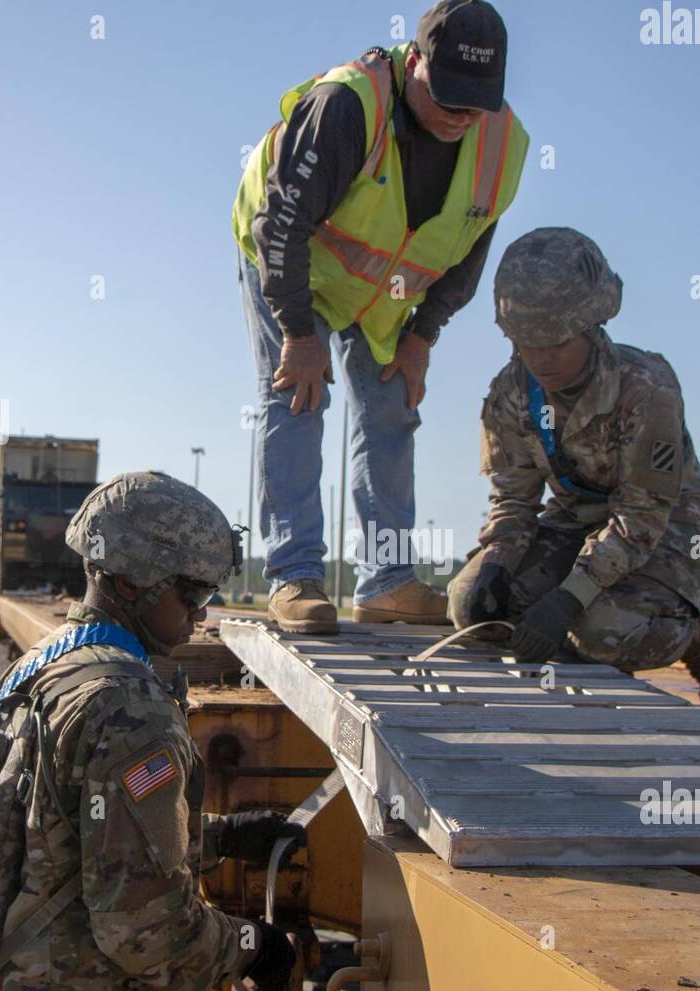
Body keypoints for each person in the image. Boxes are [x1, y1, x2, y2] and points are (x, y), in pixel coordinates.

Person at [0, 471, 302, 991]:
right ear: (133, 581)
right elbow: (145, 933)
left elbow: (62, 835)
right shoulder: (128, 708)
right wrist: (247, 946)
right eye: (192, 593)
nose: (202, 614)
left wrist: (214, 838)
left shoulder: (51, 665)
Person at [232, 0, 529, 633]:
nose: (461, 117)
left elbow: (467, 255)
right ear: (413, 60)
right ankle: (295, 577)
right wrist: (298, 332)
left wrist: (425, 334)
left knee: (392, 406)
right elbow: (279, 228)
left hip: (383, 291)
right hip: (292, 264)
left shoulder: (501, 143)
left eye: (475, 103)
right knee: (296, 397)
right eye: (447, 97)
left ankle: (387, 581)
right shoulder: (347, 106)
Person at [448, 228, 700, 707]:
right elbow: (512, 501)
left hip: (667, 528)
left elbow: (642, 515)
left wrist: (571, 597)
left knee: (599, 631)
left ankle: (697, 632)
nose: (541, 358)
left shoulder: (646, 388)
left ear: (590, 326)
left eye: (556, 342)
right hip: (576, 523)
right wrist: (497, 564)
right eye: (528, 343)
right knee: (473, 608)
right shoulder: (510, 394)